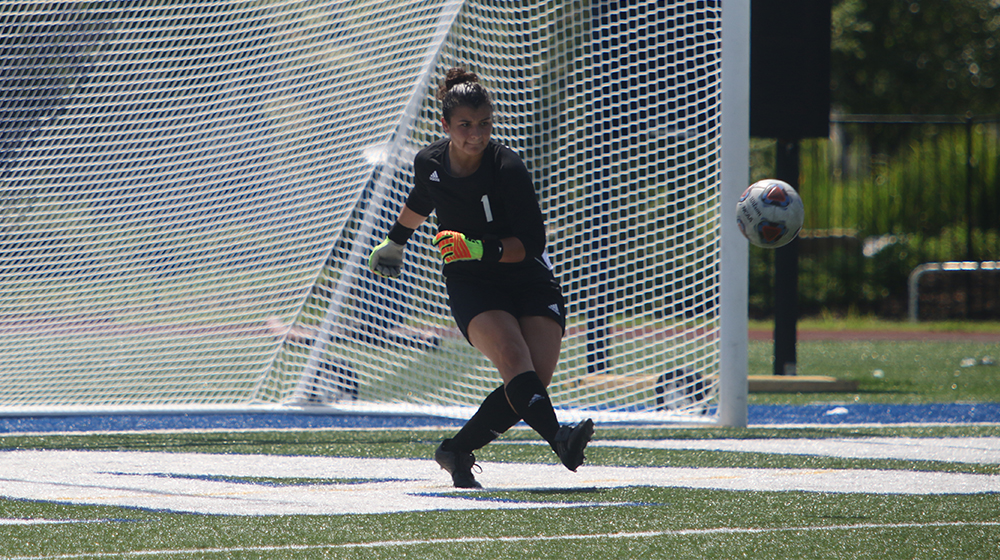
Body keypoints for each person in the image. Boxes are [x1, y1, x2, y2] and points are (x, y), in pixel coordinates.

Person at [367, 67, 594, 488]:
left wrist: (479, 247)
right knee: (513, 357)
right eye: (465, 125)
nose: (476, 134)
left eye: (485, 123)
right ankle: (560, 438)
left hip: (527, 276)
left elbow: (533, 242)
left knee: (532, 381)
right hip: (472, 282)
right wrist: (395, 241)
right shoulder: (429, 162)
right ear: (445, 125)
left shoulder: (507, 166)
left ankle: (455, 450)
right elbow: (423, 196)